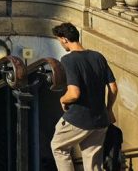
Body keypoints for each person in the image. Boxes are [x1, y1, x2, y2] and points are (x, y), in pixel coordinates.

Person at [50, 22, 118, 171]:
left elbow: (74, 93)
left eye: (59, 40)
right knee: (93, 162)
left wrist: (62, 99)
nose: (61, 44)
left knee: (58, 147)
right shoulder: (98, 56)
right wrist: (109, 109)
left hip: (80, 118)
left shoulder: (69, 60)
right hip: (100, 120)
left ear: (64, 39)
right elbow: (113, 88)